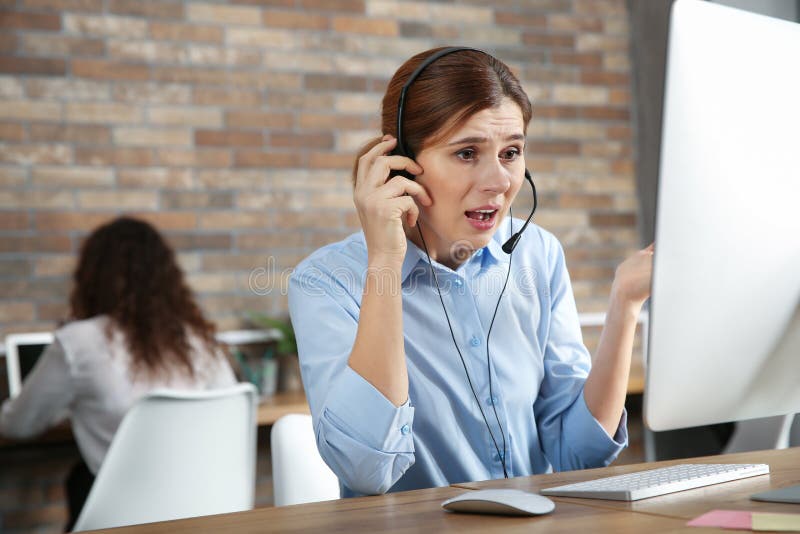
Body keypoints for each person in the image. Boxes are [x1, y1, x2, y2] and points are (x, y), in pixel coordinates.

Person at [288, 47, 653, 498]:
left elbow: (577, 453)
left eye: (511, 152)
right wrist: (384, 260)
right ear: (400, 163)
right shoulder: (325, 282)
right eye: (466, 153)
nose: (499, 181)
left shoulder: (538, 254)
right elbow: (366, 471)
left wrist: (625, 304)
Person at [0, 216, 236, 531]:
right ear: (167, 278)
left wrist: (69, 407)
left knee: (81, 479)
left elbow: (19, 424)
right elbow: (230, 412)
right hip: (203, 508)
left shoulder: (77, 343)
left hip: (123, 517)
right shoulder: (198, 340)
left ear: (92, 275)